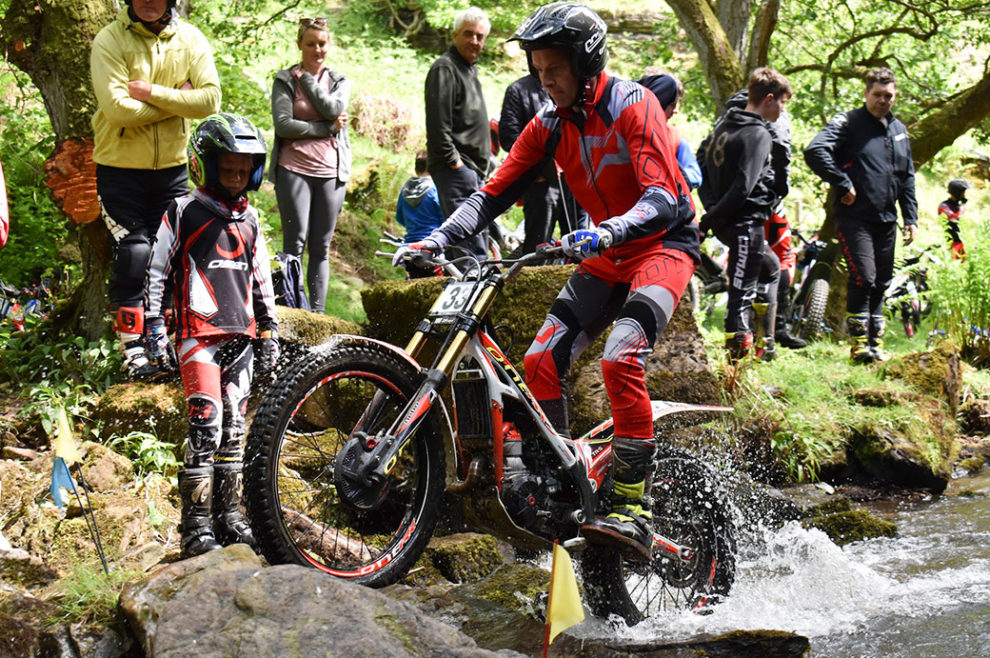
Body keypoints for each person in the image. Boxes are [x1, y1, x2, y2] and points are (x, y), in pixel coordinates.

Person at [394, 2, 698, 561]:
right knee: (538, 361)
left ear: (585, 63)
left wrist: (608, 230)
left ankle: (633, 505)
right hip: (605, 256)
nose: (544, 80)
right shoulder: (549, 124)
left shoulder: (634, 105)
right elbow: (492, 194)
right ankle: (562, 482)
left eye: (554, 68)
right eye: (537, 69)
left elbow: (663, 198)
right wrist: (436, 238)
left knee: (619, 357)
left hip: (662, 247)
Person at [145, 113, 280, 558]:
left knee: (235, 431)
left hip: (241, 336)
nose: (237, 178)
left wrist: (269, 330)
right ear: (205, 165)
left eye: (245, 170)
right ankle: (195, 526)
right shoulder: (184, 211)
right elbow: (157, 270)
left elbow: (262, 278)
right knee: (206, 425)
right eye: (228, 169)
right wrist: (153, 327)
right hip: (198, 336)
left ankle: (230, 516)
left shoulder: (251, 219)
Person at [90, 0, 221, 379]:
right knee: (135, 252)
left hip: (171, 171)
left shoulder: (190, 39)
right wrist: (179, 100)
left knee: (170, 257)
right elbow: (118, 110)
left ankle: (159, 339)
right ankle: (132, 350)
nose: (149, 1)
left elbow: (210, 100)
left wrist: (149, 92)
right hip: (119, 169)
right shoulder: (110, 39)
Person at [804, 66, 918, 363]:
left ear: (895, 96)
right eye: (877, 94)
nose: (883, 101)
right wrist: (842, 182)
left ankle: (874, 345)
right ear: (866, 93)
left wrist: (911, 217)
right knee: (864, 277)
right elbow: (815, 150)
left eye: (888, 96)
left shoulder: (899, 130)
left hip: (887, 219)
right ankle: (858, 345)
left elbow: (906, 176)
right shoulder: (849, 122)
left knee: (882, 281)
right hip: (854, 217)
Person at [697, 68, 792, 361]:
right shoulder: (758, 134)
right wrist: (710, 219)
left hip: (732, 223)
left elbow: (701, 165)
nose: (782, 110)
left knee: (771, 268)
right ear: (769, 99)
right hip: (745, 225)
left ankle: (766, 344)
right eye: (782, 103)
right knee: (740, 298)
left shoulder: (723, 126)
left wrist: (712, 210)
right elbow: (742, 187)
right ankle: (735, 367)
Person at [271, 18, 351, 314]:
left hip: (331, 171)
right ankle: (290, 310)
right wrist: (326, 128)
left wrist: (306, 81)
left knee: (321, 247)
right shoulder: (284, 80)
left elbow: (333, 108)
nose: (317, 50)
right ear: (299, 45)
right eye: (311, 44)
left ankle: (316, 314)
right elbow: (284, 125)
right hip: (293, 169)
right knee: (294, 244)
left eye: (322, 44)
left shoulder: (339, 81)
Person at [720, 87, 806, 349]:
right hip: (762, 203)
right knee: (777, 261)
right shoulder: (774, 114)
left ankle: (759, 333)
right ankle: (769, 334)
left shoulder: (729, 114)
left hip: (732, 203)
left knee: (748, 263)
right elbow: (782, 152)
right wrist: (778, 191)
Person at [424, 7, 492, 258]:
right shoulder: (446, 68)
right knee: (468, 249)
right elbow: (437, 127)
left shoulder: (469, 69)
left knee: (476, 243)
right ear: (454, 35)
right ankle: (470, 285)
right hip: (457, 172)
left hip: (473, 171)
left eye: (479, 36)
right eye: (468, 34)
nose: (474, 41)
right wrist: (456, 164)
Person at [499, 72, 571, 255]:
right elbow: (509, 137)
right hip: (539, 182)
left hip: (572, 179)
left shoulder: (569, 85)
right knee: (537, 247)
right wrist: (540, 167)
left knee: (578, 243)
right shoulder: (518, 90)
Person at [638, 71, 702, 189]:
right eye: (672, 104)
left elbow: (695, 175)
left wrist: (669, 172)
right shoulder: (623, 128)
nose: (676, 111)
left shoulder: (675, 136)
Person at [396, 150, 445, 278]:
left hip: (410, 244)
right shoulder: (436, 189)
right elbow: (445, 218)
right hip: (433, 245)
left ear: (416, 168)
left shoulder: (405, 190)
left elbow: (400, 218)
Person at [939, 178, 970, 260]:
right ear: (957, 193)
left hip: (961, 241)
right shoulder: (944, 206)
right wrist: (962, 205)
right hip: (952, 242)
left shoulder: (958, 205)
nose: (964, 194)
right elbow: (955, 218)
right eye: (963, 192)